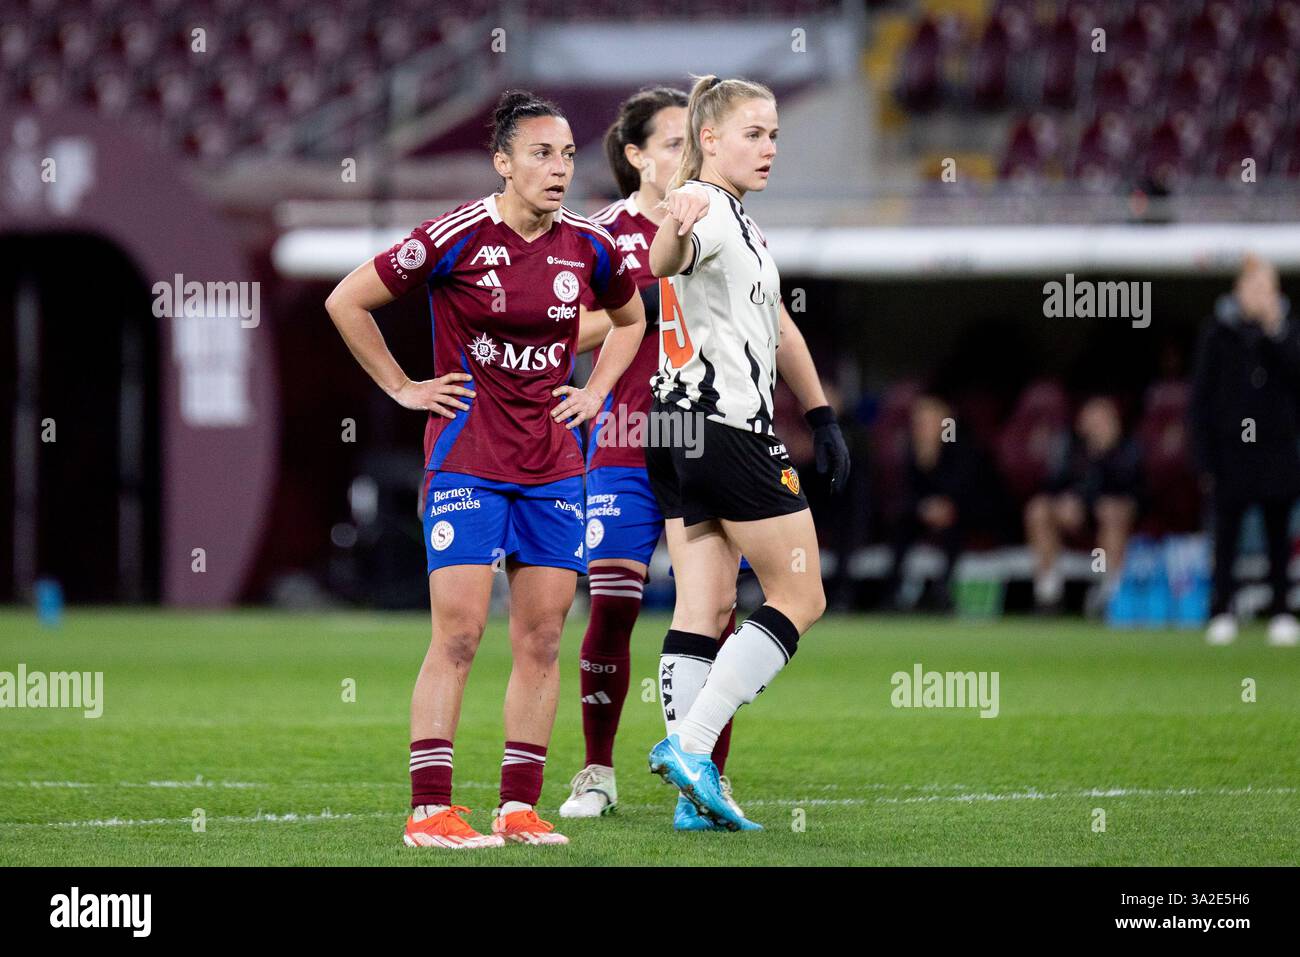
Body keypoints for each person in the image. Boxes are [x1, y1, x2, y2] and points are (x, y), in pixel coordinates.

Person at [324, 90, 645, 849]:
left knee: (540, 639)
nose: (559, 168)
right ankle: (430, 810)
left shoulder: (588, 246)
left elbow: (632, 319)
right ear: (502, 162)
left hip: (555, 468)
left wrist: (595, 392)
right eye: (541, 153)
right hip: (467, 462)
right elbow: (348, 300)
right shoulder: (456, 236)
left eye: (567, 154)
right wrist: (403, 387)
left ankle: (518, 807)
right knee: (461, 634)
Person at [644, 74, 850, 831]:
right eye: (754, 134)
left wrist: (820, 411)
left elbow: (778, 329)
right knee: (803, 596)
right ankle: (692, 749)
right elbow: (667, 257)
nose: (769, 148)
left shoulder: (741, 222)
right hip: (727, 429)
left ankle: (691, 798)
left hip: (669, 430)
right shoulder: (712, 213)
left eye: (774, 135)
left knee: (707, 605)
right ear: (710, 139)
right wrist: (677, 213)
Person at [555, 87, 744, 829]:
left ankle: (708, 777)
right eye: (671, 143)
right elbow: (560, 333)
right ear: (635, 155)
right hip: (625, 444)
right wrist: (642, 306)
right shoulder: (600, 234)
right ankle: (597, 769)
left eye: (692, 143)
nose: (685, 157)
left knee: (715, 614)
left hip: (702, 444)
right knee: (612, 605)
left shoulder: (722, 223)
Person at [1190, 254, 1300, 647]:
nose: (1259, 297)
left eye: (1267, 289)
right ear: (1239, 291)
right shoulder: (1219, 333)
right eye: (1253, 288)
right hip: (1231, 453)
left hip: (1277, 452)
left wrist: (1275, 333)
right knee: (1226, 536)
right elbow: (1200, 399)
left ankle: (1282, 610)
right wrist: (1203, 458)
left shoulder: (1288, 332)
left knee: (1278, 536)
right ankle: (1222, 609)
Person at [1025, 396, 1140, 614]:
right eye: (1092, 417)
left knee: (1111, 511)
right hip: (1073, 514)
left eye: (1104, 418)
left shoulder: (1127, 446)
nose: (1097, 424)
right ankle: (1048, 594)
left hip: (1111, 515)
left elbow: (1129, 487)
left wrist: (1104, 453)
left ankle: (1109, 594)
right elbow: (1052, 483)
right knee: (1038, 509)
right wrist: (1065, 502)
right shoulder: (1068, 445)